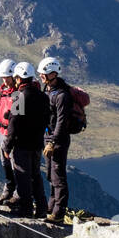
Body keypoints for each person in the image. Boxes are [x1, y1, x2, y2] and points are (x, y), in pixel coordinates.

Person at [1, 61, 49, 218]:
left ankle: (26, 210)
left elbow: (14, 124)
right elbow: (45, 119)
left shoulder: (20, 97)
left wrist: (7, 147)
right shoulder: (43, 96)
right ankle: (42, 208)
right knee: (35, 176)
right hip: (37, 144)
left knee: (22, 177)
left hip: (22, 145)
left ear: (19, 78)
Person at [38, 56, 73, 223]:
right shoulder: (48, 90)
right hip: (48, 137)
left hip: (57, 140)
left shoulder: (62, 95)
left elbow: (61, 121)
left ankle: (58, 213)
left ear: (53, 73)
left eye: (43, 73)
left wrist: (52, 142)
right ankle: (51, 207)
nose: (41, 76)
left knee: (58, 176)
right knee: (51, 175)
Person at [0, 58, 19, 206]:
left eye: (7, 77)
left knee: (15, 163)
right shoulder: (3, 90)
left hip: (12, 133)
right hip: (2, 130)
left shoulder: (18, 93)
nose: (4, 80)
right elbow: (1, 110)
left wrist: (11, 135)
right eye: (3, 77)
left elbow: (18, 117)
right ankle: (8, 191)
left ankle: (17, 195)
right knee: (5, 162)